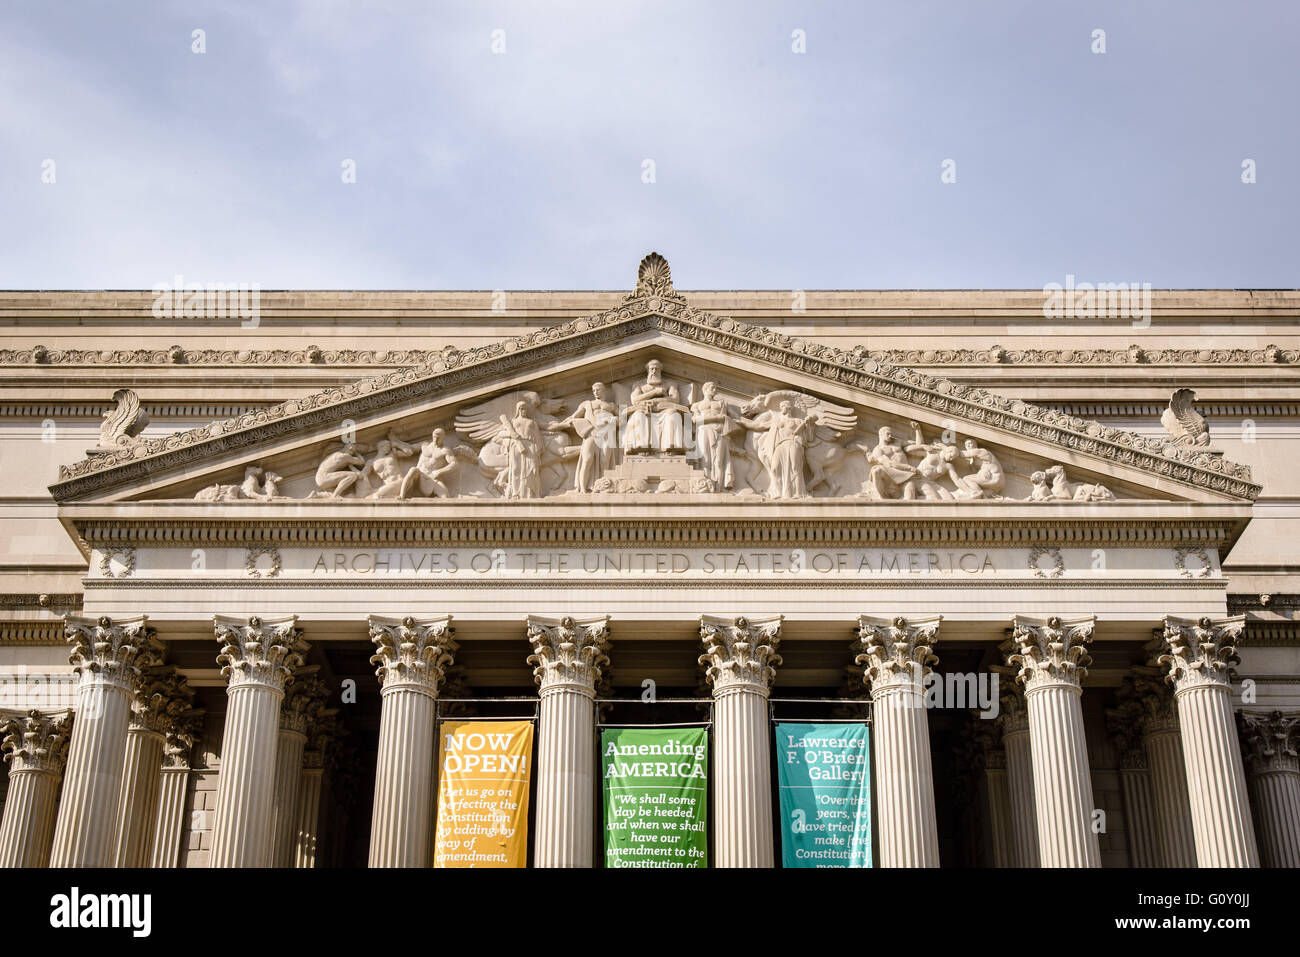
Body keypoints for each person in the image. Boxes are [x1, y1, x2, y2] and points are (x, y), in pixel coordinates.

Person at [556, 382, 619, 492]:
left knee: (605, 461)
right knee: (587, 460)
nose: (595, 392)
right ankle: (582, 489)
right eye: (594, 390)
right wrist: (560, 425)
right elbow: (574, 416)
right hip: (591, 433)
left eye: (598, 390)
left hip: (608, 434)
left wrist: (611, 420)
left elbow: (622, 420)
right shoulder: (587, 404)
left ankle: (603, 487)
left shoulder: (612, 406)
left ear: (604, 390)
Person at [623, 359, 683, 453]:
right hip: (644, 411)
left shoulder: (670, 384)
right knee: (638, 415)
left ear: (660, 371)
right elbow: (635, 400)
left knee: (674, 414)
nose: (654, 371)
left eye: (657, 369)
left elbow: (675, 399)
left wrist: (656, 401)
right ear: (648, 371)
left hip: (664, 411)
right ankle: (641, 447)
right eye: (652, 369)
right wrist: (655, 392)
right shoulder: (638, 384)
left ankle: (671, 448)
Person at [689, 381, 735, 489]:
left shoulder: (721, 403)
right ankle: (706, 486)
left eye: (715, 388)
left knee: (719, 460)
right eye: (712, 387)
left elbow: (734, 417)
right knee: (705, 459)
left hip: (719, 432)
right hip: (703, 431)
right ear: (704, 390)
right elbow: (696, 419)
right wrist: (717, 418)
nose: (715, 390)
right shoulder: (697, 405)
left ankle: (718, 488)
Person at [400, 428, 461, 499]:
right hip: (420, 475)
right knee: (413, 470)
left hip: (433, 478)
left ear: (443, 438)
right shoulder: (424, 445)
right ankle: (401, 495)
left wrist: (439, 471)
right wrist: (395, 442)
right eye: (434, 437)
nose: (435, 440)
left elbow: (454, 464)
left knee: (445, 497)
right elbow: (410, 448)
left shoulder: (445, 450)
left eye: (438, 438)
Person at [497, 401, 542, 498]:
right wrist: (511, 434)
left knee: (531, 470)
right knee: (515, 469)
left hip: (530, 445)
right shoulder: (512, 422)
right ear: (517, 410)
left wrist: (538, 450)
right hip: (516, 445)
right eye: (521, 408)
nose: (523, 410)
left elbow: (538, 437)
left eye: (525, 408)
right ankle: (515, 492)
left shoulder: (532, 422)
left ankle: (531, 493)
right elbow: (500, 433)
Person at [864, 426, 919, 500]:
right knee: (876, 470)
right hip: (892, 476)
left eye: (891, 434)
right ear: (881, 434)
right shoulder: (878, 450)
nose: (890, 436)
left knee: (910, 498)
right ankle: (883, 497)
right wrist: (908, 467)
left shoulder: (898, 442)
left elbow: (918, 444)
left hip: (907, 476)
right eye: (888, 434)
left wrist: (918, 430)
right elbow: (889, 464)